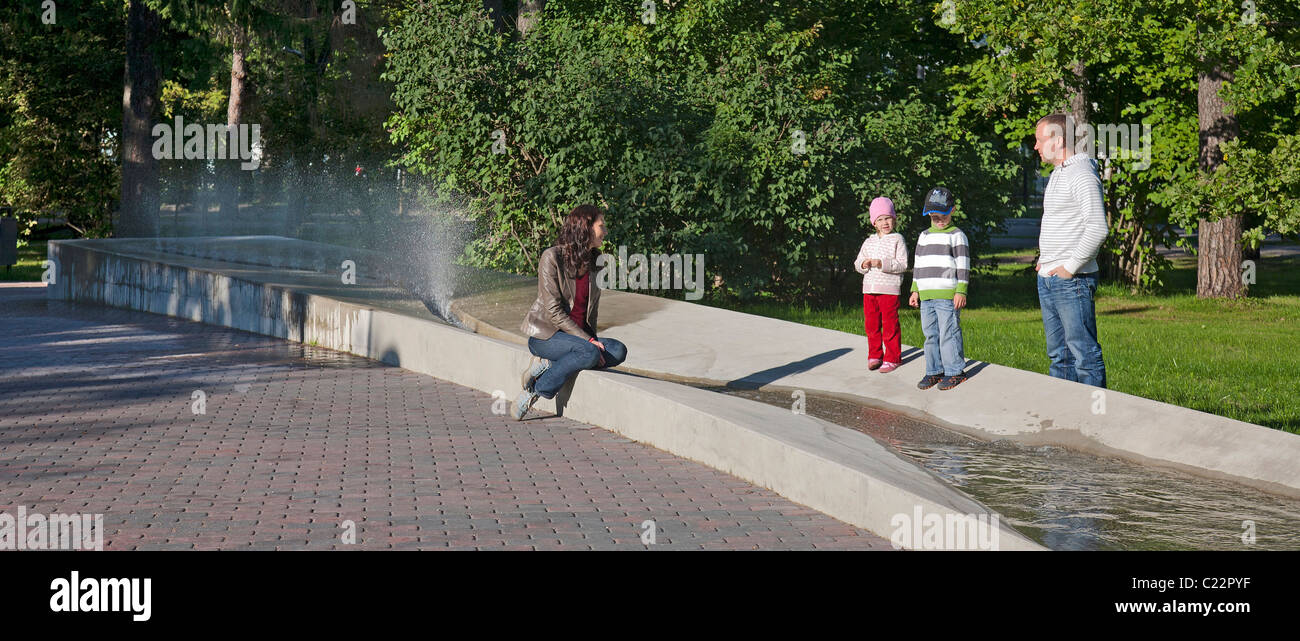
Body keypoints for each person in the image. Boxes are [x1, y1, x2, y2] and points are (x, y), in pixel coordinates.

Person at [513, 204, 628, 420]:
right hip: (546, 336)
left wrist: (593, 339)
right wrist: (590, 345)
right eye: (601, 226)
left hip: (578, 339)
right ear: (585, 228)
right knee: (590, 353)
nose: (605, 231)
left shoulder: (597, 263)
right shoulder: (552, 258)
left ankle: (548, 364)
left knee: (618, 350)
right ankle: (535, 390)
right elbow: (554, 311)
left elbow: (591, 313)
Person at [1032, 113, 1108, 388]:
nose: (1036, 147)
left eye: (1040, 140)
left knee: (1084, 356)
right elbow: (1059, 225)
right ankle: (1064, 417)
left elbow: (1098, 227)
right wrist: (1045, 262)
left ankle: (1093, 422)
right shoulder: (1059, 174)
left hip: (1071, 281)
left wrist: (1069, 268)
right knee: (1059, 357)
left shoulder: (1082, 174)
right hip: (1049, 279)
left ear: (1058, 140)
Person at [909, 187, 969, 391]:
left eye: (943, 216)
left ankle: (955, 371)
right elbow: (918, 263)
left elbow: (963, 264)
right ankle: (934, 370)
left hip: (947, 296)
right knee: (930, 334)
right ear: (929, 215)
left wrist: (961, 290)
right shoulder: (924, 236)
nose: (939, 220)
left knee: (948, 333)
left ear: (952, 211)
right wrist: (915, 289)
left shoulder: (957, 235)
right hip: (926, 296)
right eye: (935, 217)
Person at [853, 197, 908, 373]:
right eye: (880, 219)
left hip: (889, 291)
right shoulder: (868, 241)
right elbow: (857, 262)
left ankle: (893, 358)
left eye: (888, 218)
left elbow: (903, 264)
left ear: (894, 219)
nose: (885, 222)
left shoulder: (897, 239)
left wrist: (881, 263)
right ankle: (875, 355)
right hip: (869, 290)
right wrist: (863, 264)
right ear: (874, 223)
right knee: (871, 325)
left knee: (890, 324)